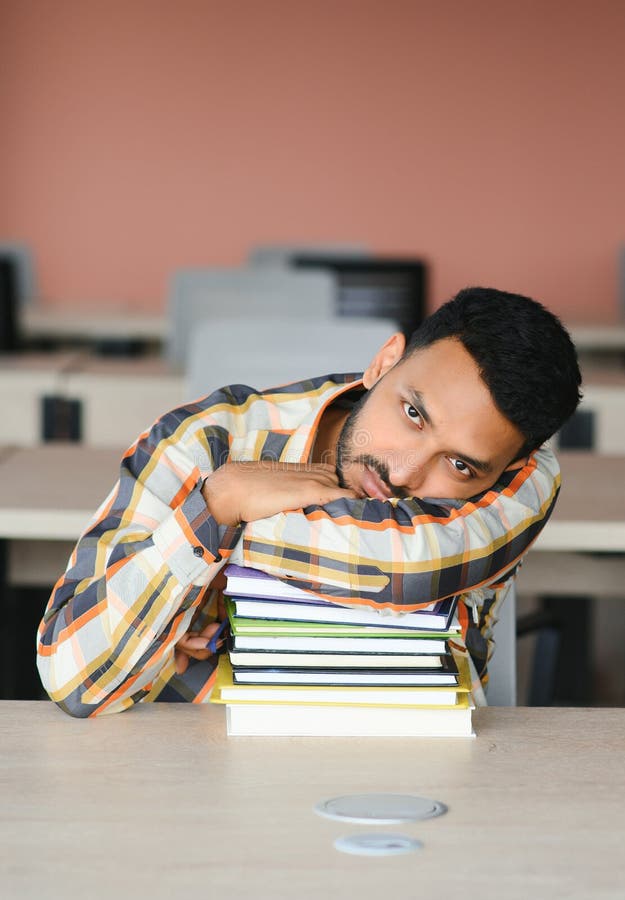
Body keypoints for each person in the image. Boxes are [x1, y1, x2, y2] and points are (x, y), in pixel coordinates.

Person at [36, 286, 582, 717]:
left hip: (425, 764)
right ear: (384, 363)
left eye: (459, 465)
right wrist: (223, 502)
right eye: (412, 414)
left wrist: (214, 520)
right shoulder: (210, 439)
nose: (404, 473)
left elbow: (406, 566)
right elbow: (74, 675)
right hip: (207, 759)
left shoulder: (528, 474)